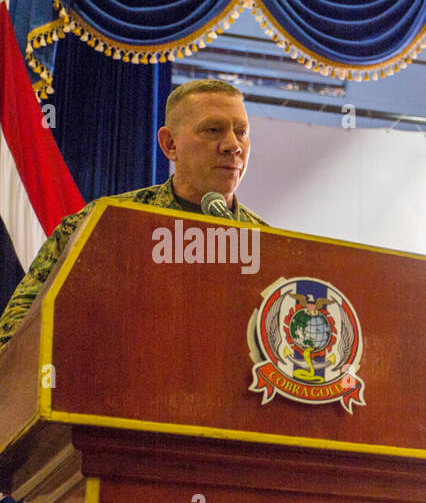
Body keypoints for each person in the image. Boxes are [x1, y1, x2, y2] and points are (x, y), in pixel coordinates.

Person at [0, 78, 267, 349]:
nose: (233, 145)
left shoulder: (268, 245)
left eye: (241, 132)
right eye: (213, 130)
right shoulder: (105, 225)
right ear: (170, 144)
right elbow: (16, 331)